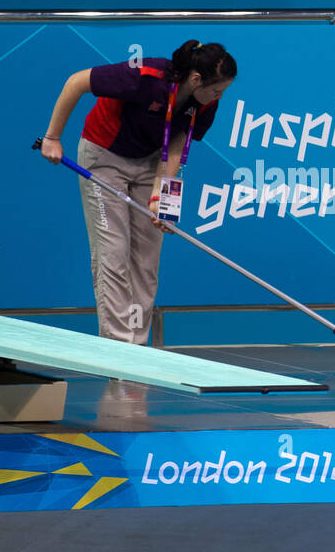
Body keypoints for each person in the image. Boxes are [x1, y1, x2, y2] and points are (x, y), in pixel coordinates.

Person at [41, 39, 236, 344]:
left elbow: (178, 140)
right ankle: (118, 348)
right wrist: (52, 137)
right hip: (105, 156)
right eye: (217, 89)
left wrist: (162, 195)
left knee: (146, 262)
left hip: (150, 161)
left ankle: (138, 345)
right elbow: (76, 82)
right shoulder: (144, 75)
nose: (219, 96)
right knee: (114, 254)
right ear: (196, 79)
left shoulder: (206, 101)